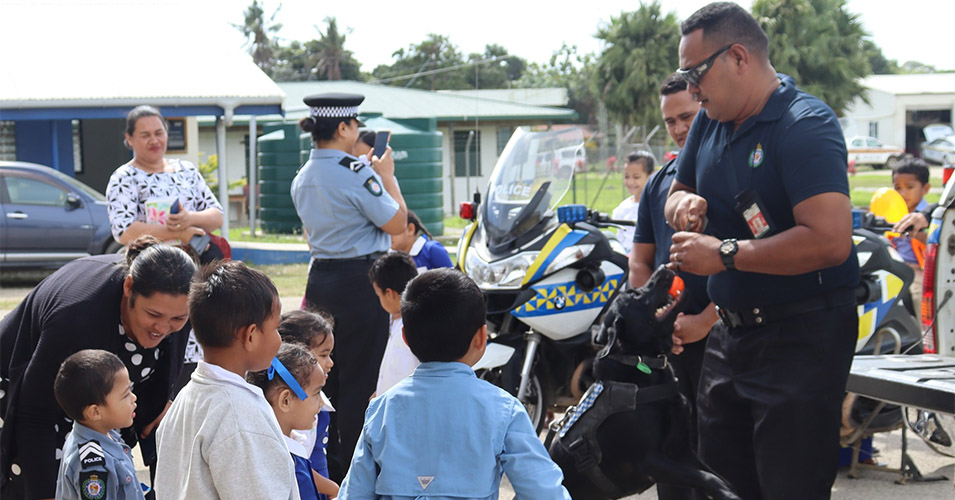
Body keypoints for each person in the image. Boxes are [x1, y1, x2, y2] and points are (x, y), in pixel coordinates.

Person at [663, 3, 859, 498]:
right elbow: (675, 192)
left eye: (696, 72)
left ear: (738, 57)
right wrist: (683, 205)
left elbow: (830, 240)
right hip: (731, 338)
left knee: (789, 487)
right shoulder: (711, 121)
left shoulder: (802, 124)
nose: (691, 88)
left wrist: (725, 254)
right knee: (722, 487)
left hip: (800, 338)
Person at [338, 269, 571, 500]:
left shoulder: (381, 410)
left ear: (406, 338)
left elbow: (354, 494)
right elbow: (546, 494)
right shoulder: (504, 410)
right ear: (481, 338)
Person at [0, 237, 195, 500]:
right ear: (129, 288)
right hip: (24, 384)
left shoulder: (180, 308)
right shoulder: (76, 317)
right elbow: (35, 415)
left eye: (178, 319)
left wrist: (158, 404)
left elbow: (168, 358)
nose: (162, 328)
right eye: (154, 315)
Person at [290, 93, 407, 482]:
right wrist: (386, 176)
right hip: (362, 283)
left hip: (320, 278)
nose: (357, 131)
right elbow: (396, 225)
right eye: (355, 125)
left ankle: (329, 472)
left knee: (324, 379)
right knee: (361, 381)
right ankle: (361, 479)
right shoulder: (357, 172)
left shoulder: (302, 176)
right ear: (343, 128)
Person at [629, 72, 714, 500]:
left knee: (717, 457)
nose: (681, 129)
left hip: (724, 342)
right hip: (668, 348)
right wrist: (653, 324)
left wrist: (707, 321)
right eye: (671, 122)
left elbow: (755, 262)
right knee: (670, 452)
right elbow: (641, 261)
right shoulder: (658, 184)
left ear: (706, 105)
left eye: (688, 116)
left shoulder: (724, 174)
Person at [154, 260, 297, 500]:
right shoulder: (239, 415)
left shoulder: (186, 397)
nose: (279, 339)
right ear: (250, 336)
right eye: (275, 328)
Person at [105, 105, 223, 260]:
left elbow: (217, 216)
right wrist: (179, 233)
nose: (154, 140)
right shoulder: (124, 177)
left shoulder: (186, 170)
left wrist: (190, 218)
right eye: (145, 135)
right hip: (150, 265)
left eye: (159, 133)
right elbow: (124, 231)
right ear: (129, 138)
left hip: (195, 262)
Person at [54, 350, 144, 500]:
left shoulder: (107, 434)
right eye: (125, 395)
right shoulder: (94, 465)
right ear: (95, 412)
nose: (133, 398)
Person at [247, 344, 327, 500]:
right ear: (285, 400)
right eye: (317, 393)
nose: (322, 403)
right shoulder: (284, 462)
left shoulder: (281, 449)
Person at [278, 310, 339, 499]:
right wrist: (333, 489)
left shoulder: (317, 407)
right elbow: (298, 462)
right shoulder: (297, 411)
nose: (330, 363)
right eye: (323, 355)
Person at [368, 252, 420, 397]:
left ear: (389, 293)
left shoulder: (406, 330)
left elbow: (402, 376)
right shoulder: (397, 320)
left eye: (379, 295)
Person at [891, 158, 931, 312]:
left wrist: (920, 235)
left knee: (918, 294)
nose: (903, 193)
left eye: (910, 187)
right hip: (894, 265)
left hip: (918, 269)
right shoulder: (892, 212)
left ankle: (924, 332)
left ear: (925, 188)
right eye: (898, 188)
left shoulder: (926, 216)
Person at [612, 151, 654, 252]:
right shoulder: (622, 208)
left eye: (636, 177)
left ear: (651, 176)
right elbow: (620, 239)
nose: (630, 182)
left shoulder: (654, 206)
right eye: (627, 176)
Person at [389, 210, 453, 273]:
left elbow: (453, 280)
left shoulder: (432, 250)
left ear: (410, 229)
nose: (389, 236)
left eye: (394, 230)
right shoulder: (391, 258)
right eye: (386, 232)